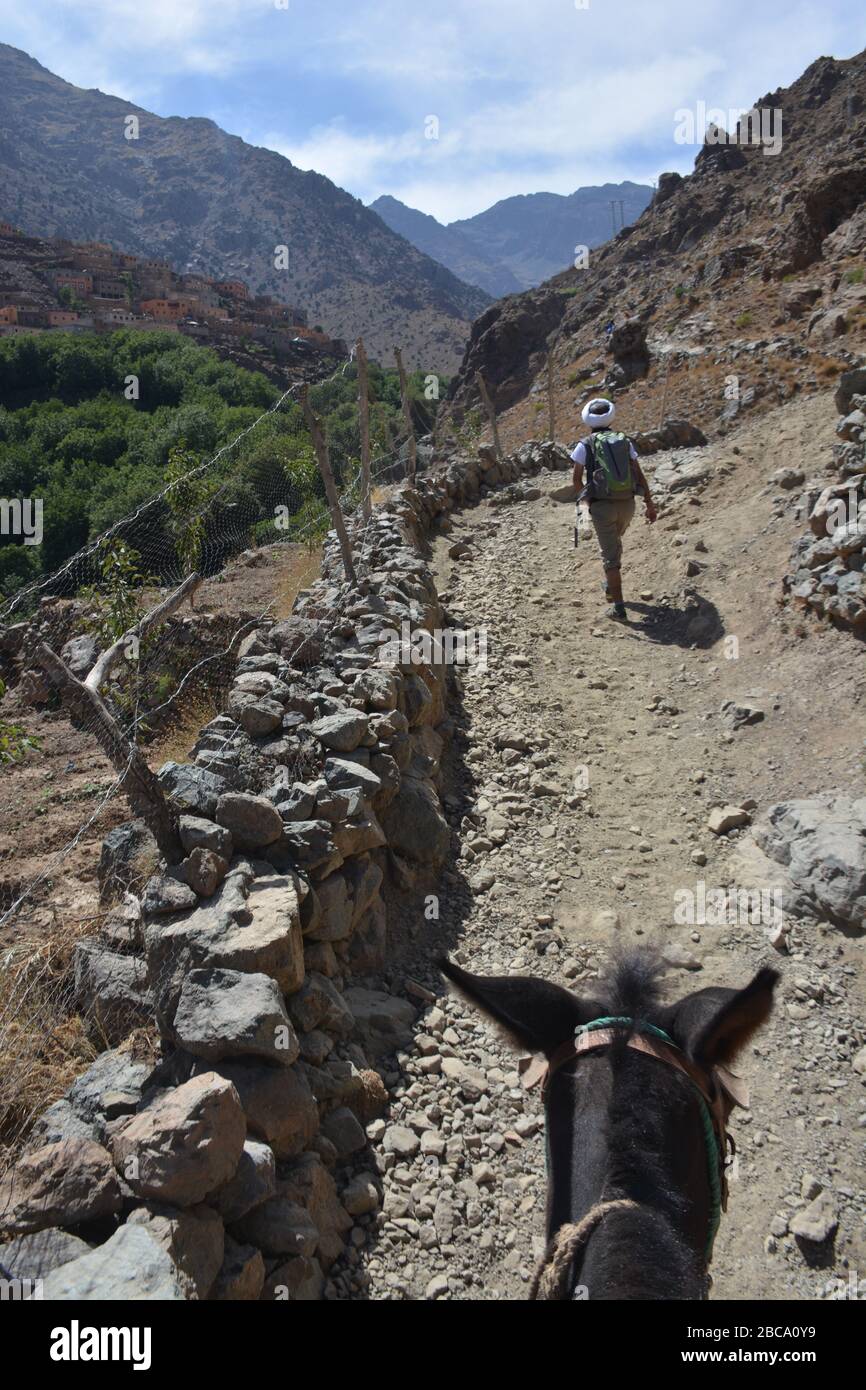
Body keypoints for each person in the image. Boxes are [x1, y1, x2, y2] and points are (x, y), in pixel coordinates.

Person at [570, 397, 657, 621]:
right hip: (628, 503)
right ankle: (610, 583)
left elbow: (577, 479)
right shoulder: (624, 442)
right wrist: (649, 502)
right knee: (615, 543)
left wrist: (586, 503)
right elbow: (638, 472)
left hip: (602, 507)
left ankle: (618, 607)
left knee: (610, 557)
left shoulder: (585, 444)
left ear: (588, 419)